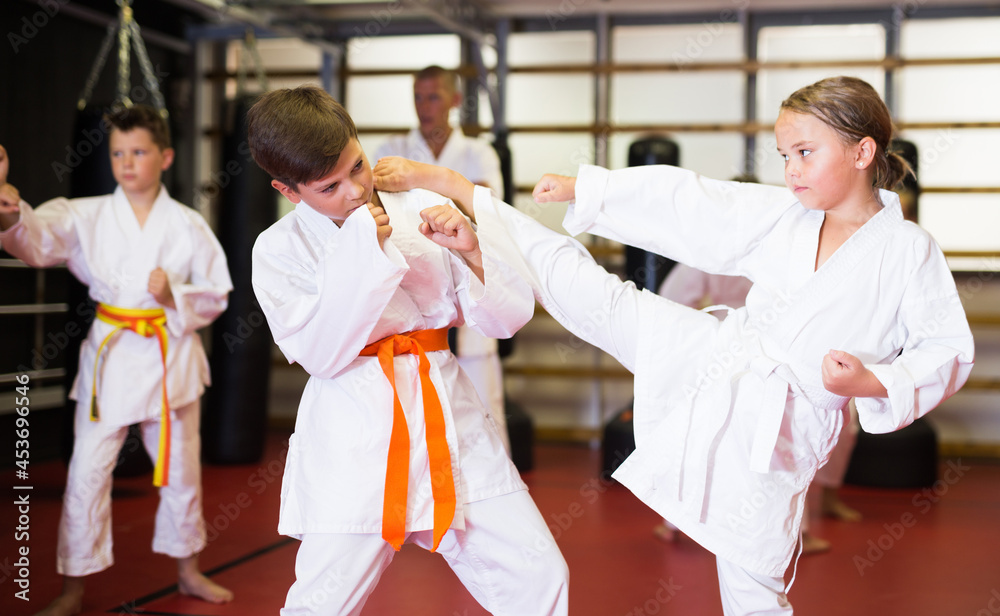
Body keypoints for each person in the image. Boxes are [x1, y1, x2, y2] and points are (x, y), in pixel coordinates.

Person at [373, 75, 974, 615]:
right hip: (718, 357)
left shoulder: (907, 251)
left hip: (783, 429)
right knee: (601, 300)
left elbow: (946, 346)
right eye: (785, 155)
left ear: (862, 152)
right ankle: (473, 198)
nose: (790, 170)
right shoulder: (789, 214)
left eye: (805, 153)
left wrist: (872, 383)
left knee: (753, 585)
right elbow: (698, 204)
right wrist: (594, 191)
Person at [245, 85, 569, 616]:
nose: (354, 190)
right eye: (330, 186)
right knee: (320, 606)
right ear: (289, 190)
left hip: (448, 419)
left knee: (540, 576)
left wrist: (472, 251)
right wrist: (360, 252)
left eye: (358, 166)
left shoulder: (419, 207)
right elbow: (323, 356)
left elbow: (507, 319)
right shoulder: (278, 250)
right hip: (355, 436)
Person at [0, 105, 234, 616]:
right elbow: (36, 239)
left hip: (170, 359)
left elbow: (217, 293)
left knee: (181, 472)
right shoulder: (87, 213)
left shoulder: (189, 224)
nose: (126, 162)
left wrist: (173, 291)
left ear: (166, 157)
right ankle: (73, 587)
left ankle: (189, 570)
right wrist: (8, 207)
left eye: (139, 152)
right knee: (86, 472)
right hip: (111, 358)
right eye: (118, 153)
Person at [375, 65, 510, 452]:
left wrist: (418, 186)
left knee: (484, 406)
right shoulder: (391, 149)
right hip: (416, 284)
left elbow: (486, 206)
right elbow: (381, 205)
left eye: (433, 97)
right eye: (418, 96)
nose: (424, 106)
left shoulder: (478, 152)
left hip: (468, 275)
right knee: (417, 409)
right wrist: (448, 193)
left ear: (454, 100)